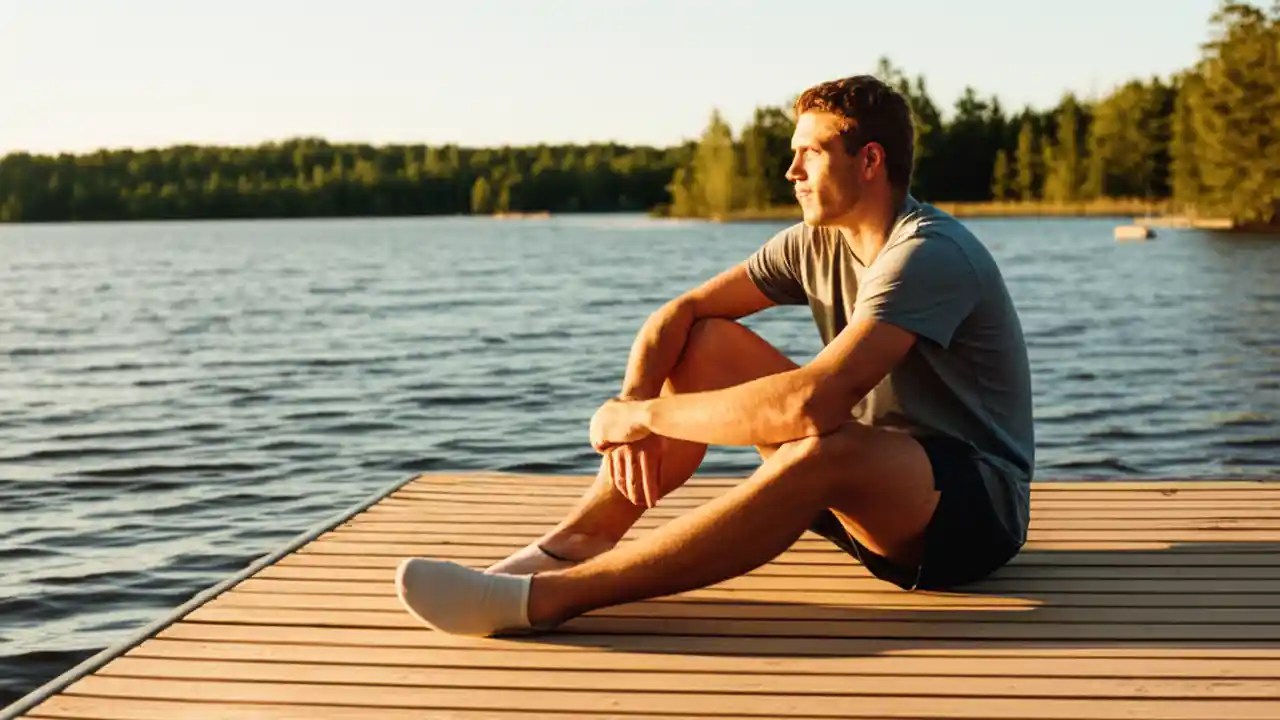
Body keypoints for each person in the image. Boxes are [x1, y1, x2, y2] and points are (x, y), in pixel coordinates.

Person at [395, 74, 1035, 636]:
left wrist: (649, 420)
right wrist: (633, 403)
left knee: (820, 440)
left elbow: (813, 403)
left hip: (971, 516)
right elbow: (680, 314)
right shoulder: (812, 245)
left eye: (809, 154)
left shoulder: (928, 255)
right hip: (865, 491)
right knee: (705, 342)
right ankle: (577, 541)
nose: (791, 173)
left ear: (870, 160)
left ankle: (551, 599)